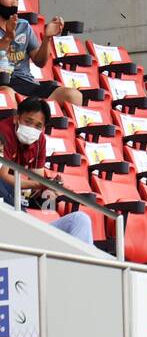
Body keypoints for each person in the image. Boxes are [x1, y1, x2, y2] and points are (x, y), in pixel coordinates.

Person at [0, 96, 93, 243]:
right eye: (28, 122)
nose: (32, 129)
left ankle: (80, 266)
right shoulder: (3, 133)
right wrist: (41, 184)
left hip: (25, 222)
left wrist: (49, 187)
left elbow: (36, 182)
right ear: (16, 118)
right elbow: (3, 176)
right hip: (8, 221)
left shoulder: (39, 140)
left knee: (80, 220)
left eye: (38, 126)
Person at [0, 0, 82, 106]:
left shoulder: (24, 26)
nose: (14, 4)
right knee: (7, 94)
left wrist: (47, 38)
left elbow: (40, 62)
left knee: (73, 95)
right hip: (4, 83)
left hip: (27, 83)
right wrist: (8, 37)